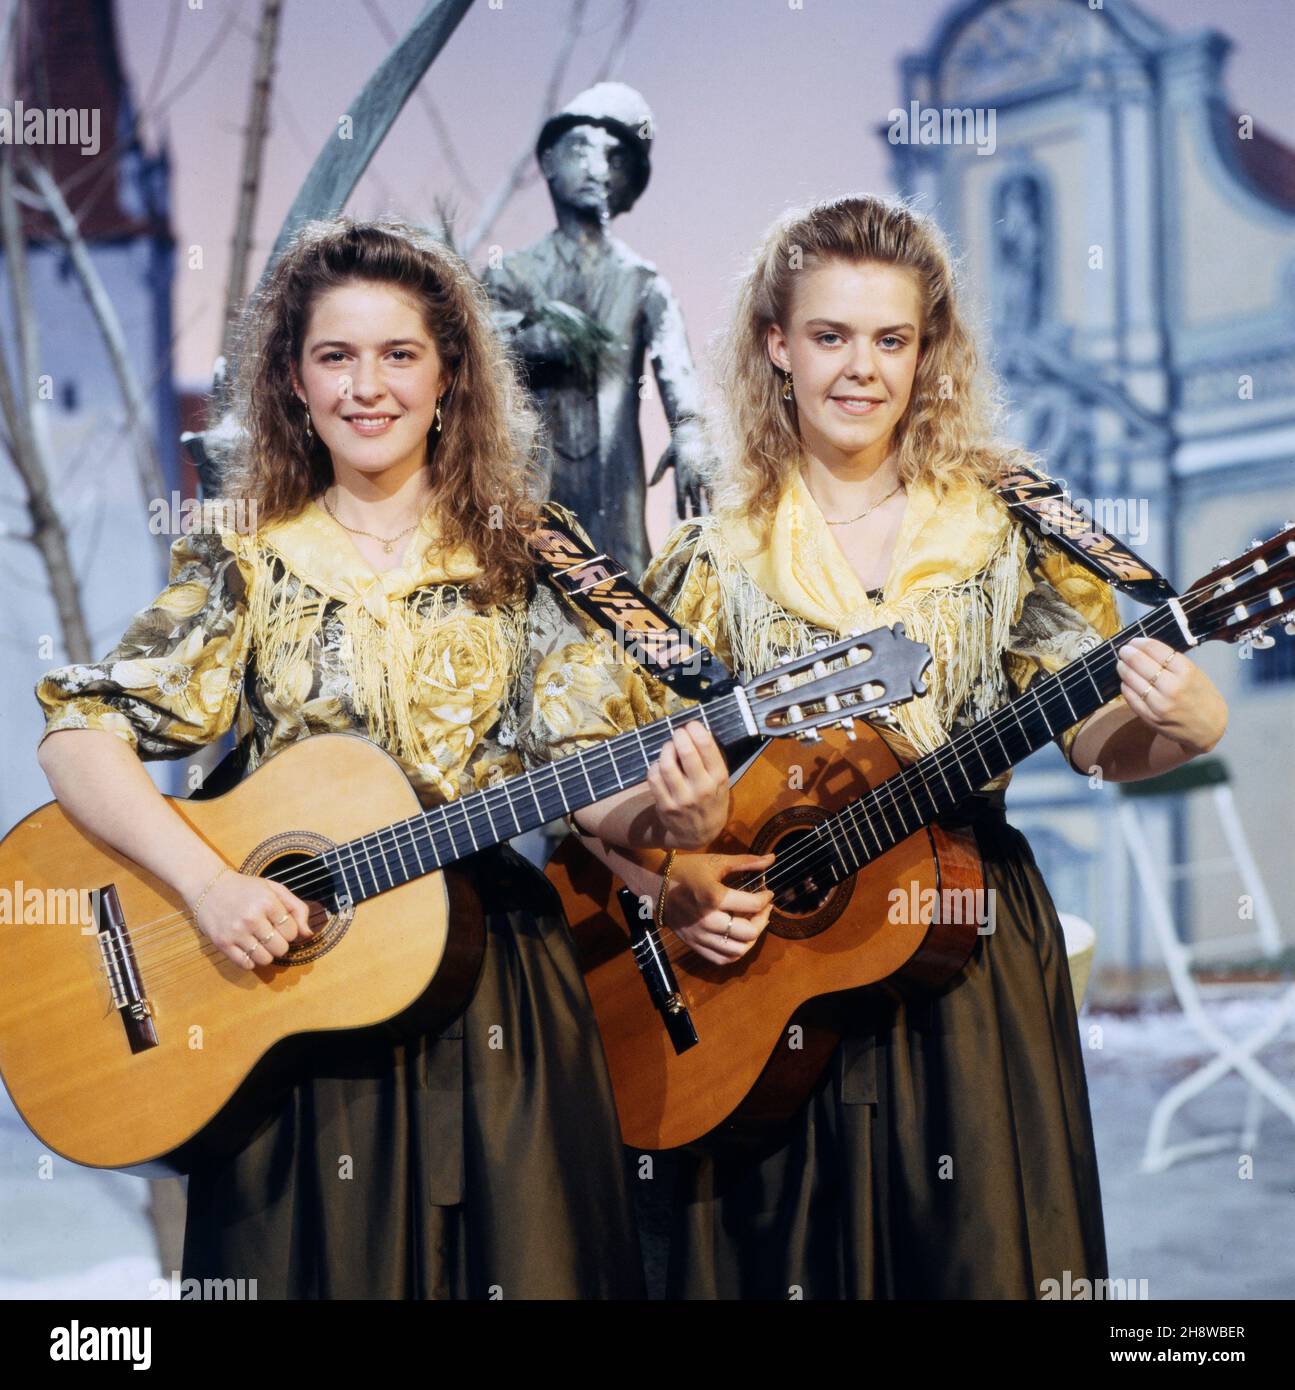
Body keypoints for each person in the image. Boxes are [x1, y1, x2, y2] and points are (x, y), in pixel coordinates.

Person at [33, 217, 731, 1300]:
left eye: (399, 354)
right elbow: (79, 737)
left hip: (498, 1000)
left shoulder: (531, 554)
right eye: (335, 356)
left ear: (450, 376)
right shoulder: (248, 561)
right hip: (296, 1016)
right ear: (294, 385)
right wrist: (211, 886)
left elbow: (597, 792)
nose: (368, 386)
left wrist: (671, 821)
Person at [584, 194, 1229, 1299]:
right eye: (829, 336)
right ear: (775, 346)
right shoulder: (711, 553)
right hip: (766, 974)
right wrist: (676, 873)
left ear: (926, 350)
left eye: (890, 339)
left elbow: (1088, 737)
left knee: (978, 1257)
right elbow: (599, 782)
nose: (860, 369)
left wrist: (1178, 725)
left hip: (961, 950)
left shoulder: (1005, 525)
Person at [483, 81, 711, 580]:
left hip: (614, 476)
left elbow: (677, 369)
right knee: (526, 591)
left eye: (614, 157)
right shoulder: (509, 274)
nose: (596, 167)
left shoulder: (642, 282)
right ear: (548, 161)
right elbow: (474, 350)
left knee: (620, 586)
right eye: (581, 148)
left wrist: (691, 433)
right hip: (530, 475)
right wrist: (530, 334)